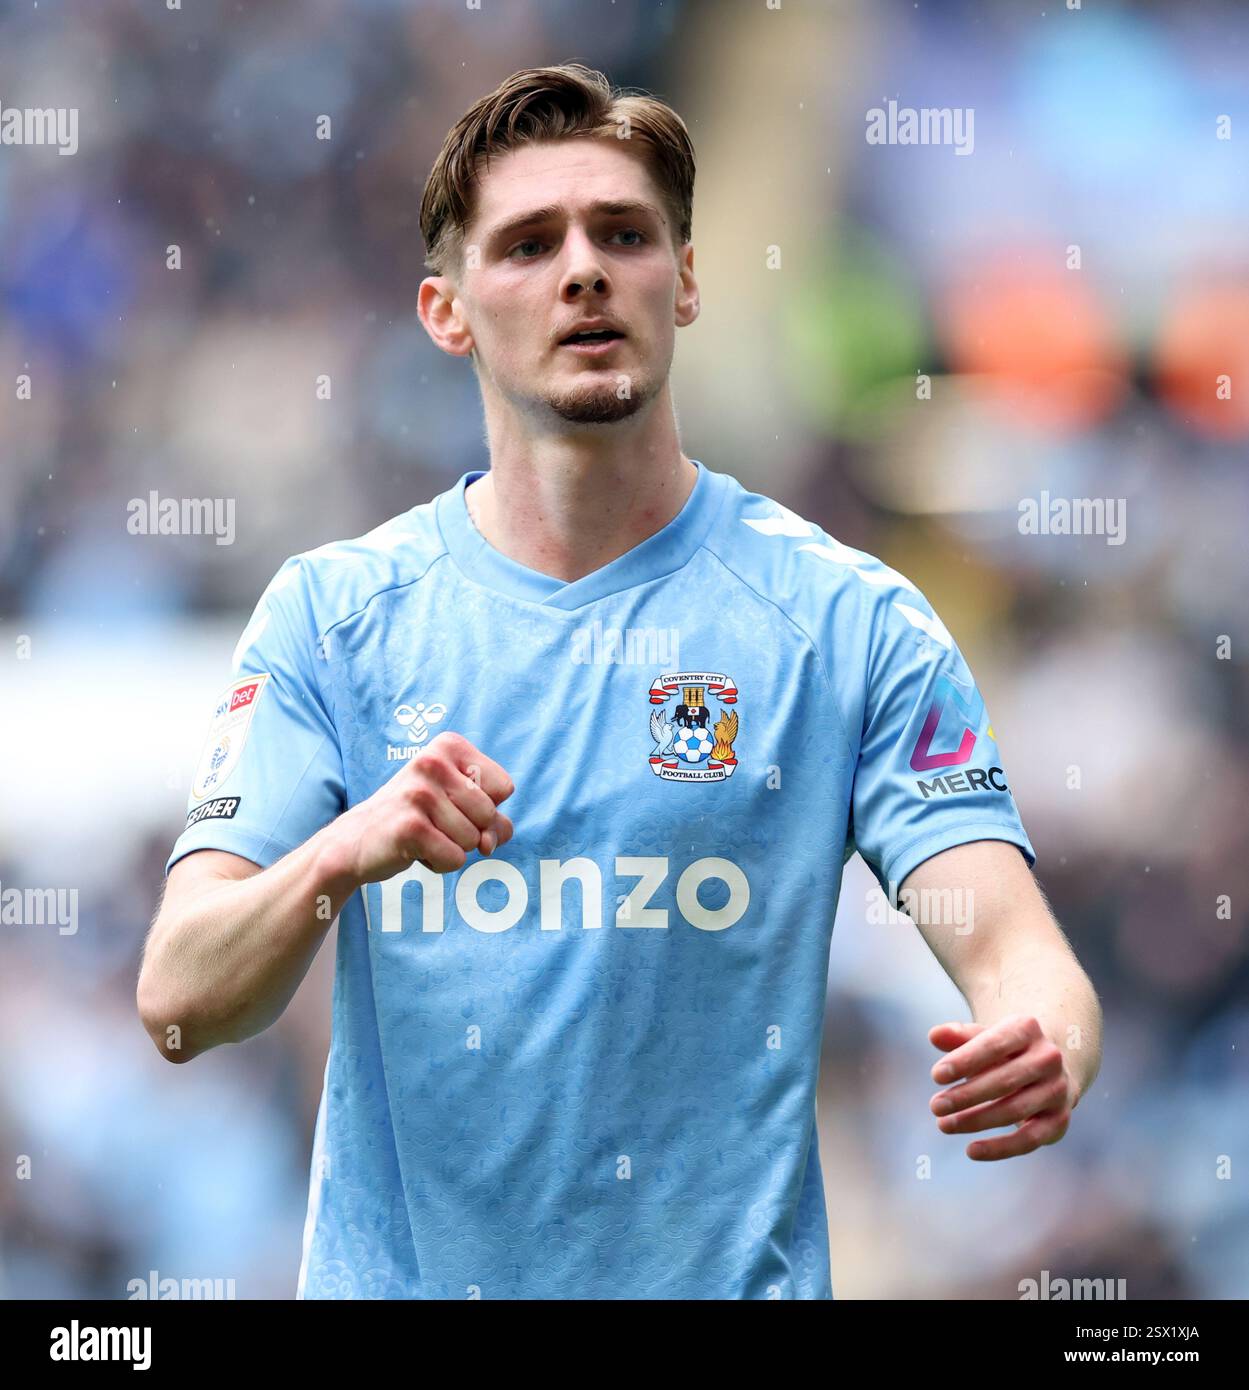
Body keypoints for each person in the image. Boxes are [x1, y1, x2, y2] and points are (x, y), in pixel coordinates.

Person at [138, 63, 1102, 1300]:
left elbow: (1017, 950)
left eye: (625, 235)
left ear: (684, 280)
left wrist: (1045, 1045)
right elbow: (179, 999)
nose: (583, 270)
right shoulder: (335, 619)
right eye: (529, 244)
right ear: (446, 311)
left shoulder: (846, 623)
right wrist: (341, 852)